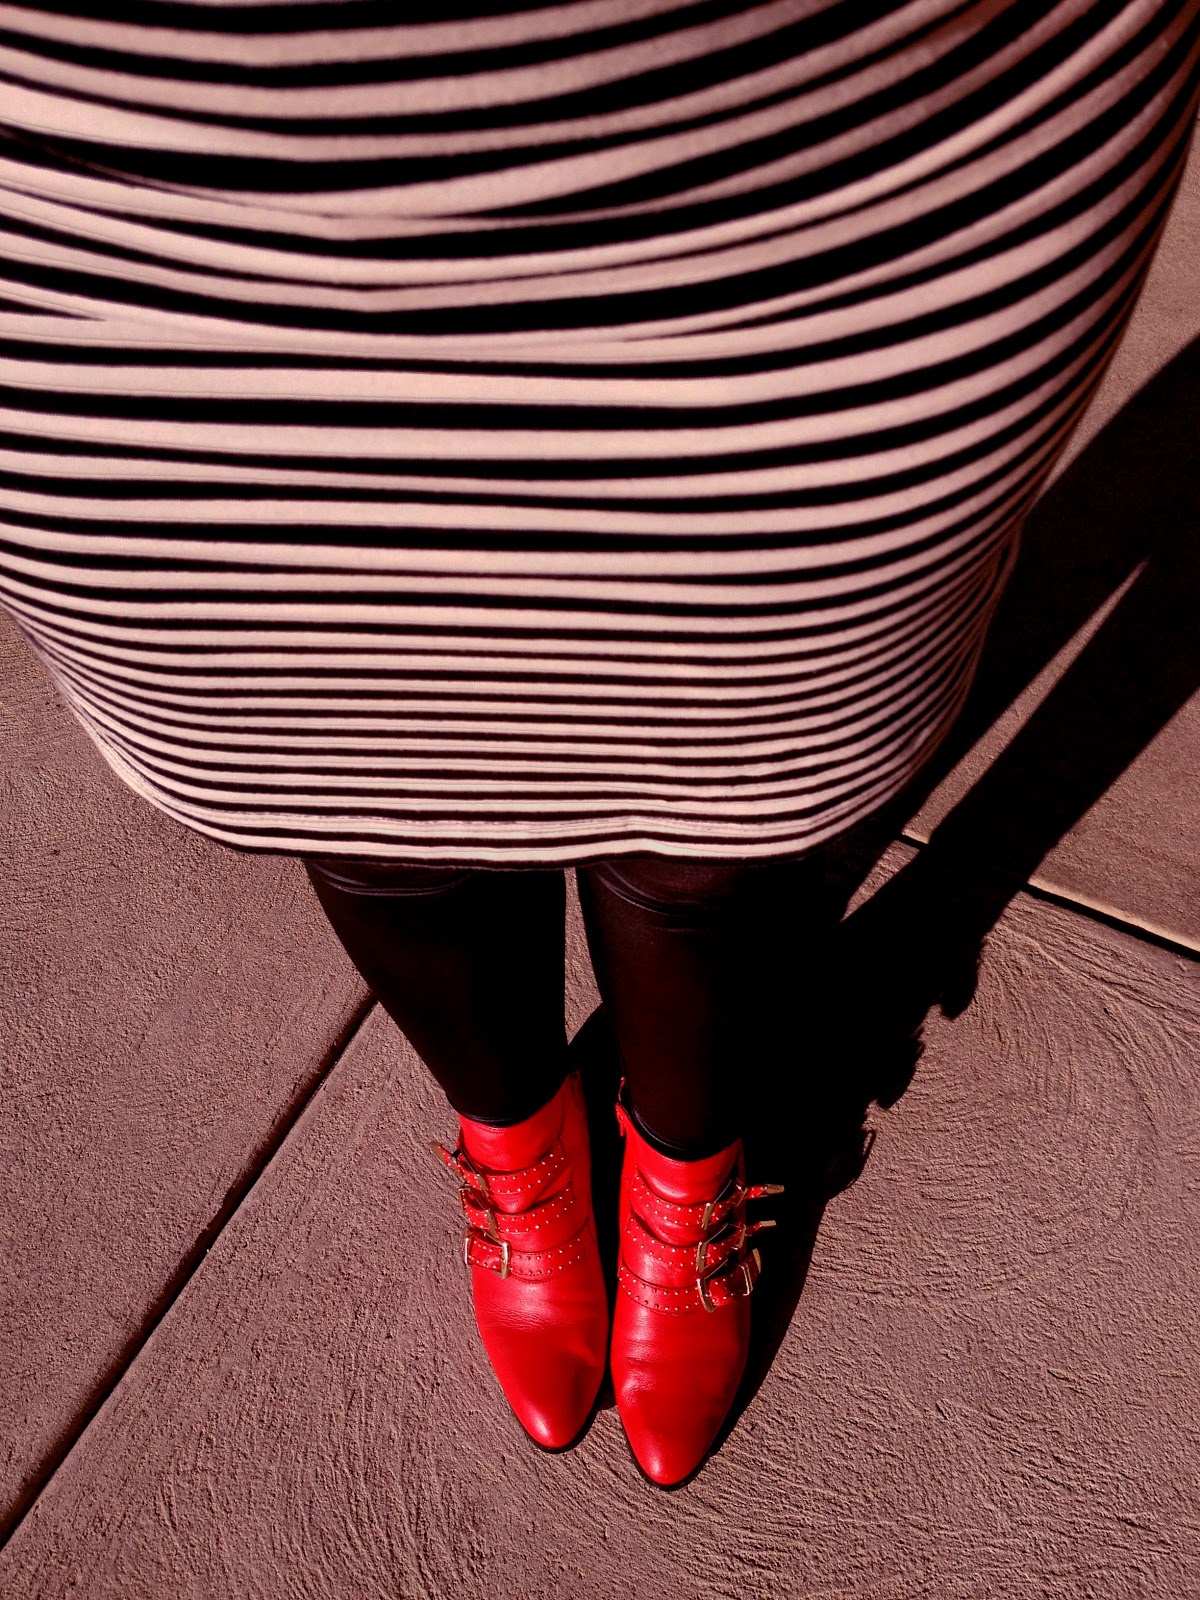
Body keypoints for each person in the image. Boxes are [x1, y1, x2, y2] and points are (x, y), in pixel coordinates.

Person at [2, 0, 1198, 1486]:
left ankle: (688, 1166)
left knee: (732, 795)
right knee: (358, 774)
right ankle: (519, 1148)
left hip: (849, 170)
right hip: (108, 222)